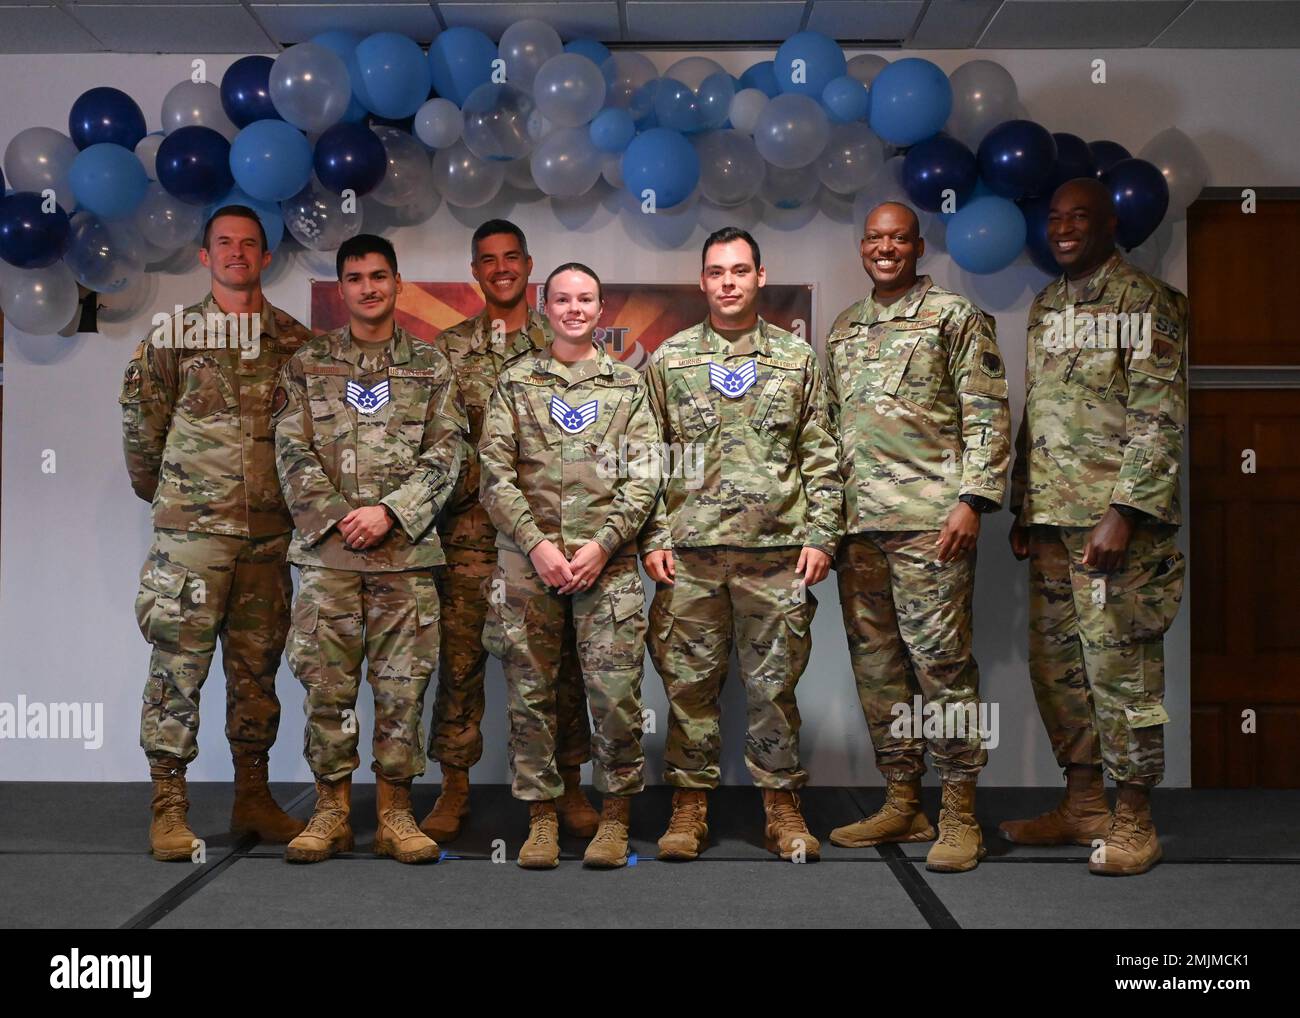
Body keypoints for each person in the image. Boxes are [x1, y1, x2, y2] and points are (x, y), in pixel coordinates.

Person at [1002, 178, 1188, 877]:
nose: (1064, 228)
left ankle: (1135, 819)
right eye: (1055, 218)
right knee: (1058, 673)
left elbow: (1159, 415)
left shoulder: (1144, 302)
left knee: (1123, 670)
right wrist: (1025, 504)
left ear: (1112, 224)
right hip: (1053, 525)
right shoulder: (1048, 304)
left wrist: (1125, 511)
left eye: (1080, 217)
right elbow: (1040, 413)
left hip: (1116, 532)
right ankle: (1083, 805)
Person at [641, 227, 843, 863]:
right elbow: (647, 460)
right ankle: (688, 808)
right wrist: (653, 536)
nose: (728, 282)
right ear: (701, 282)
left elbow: (821, 452)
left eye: (739, 270)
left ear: (761, 277)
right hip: (691, 559)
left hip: (777, 556)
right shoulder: (669, 361)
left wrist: (823, 536)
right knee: (688, 688)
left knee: (774, 689)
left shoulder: (797, 359)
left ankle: (781, 808)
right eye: (716, 272)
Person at [119, 205, 313, 861]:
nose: (236, 253)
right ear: (206, 257)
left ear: (264, 258)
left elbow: (313, 440)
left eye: (249, 244)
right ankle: (168, 808)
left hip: (269, 541)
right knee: (177, 668)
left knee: (256, 674)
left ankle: (252, 797)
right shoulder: (172, 336)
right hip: (192, 540)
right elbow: (142, 437)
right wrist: (180, 501)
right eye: (223, 244)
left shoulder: (295, 342)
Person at [823, 202, 1011, 872]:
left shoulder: (953, 316)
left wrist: (972, 501)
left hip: (932, 525)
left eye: (897, 239)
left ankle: (961, 810)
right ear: (863, 248)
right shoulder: (845, 328)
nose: (885, 248)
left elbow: (987, 411)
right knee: (878, 671)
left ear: (918, 246)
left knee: (942, 668)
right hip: (858, 530)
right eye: (874, 239)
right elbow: (828, 432)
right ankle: (903, 800)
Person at [271, 234, 467, 864]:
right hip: (329, 559)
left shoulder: (432, 367)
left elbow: (449, 453)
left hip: (404, 559)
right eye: (354, 277)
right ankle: (330, 812)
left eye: (379, 275)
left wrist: (390, 512)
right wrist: (336, 517)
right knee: (327, 688)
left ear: (397, 282)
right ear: (341, 288)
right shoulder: (307, 365)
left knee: (402, 689)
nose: (368, 287)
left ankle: (395, 814)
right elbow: (290, 449)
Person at [478, 262, 661, 869]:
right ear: (544, 307)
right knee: (531, 700)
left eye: (585, 299)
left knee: (614, 697)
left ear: (601, 309)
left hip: (605, 569)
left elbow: (644, 478)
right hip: (530, 569)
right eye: (562, 299)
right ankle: (541, 819)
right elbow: (494, 475)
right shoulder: (515, 382)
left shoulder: (628, 388)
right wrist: (536, 543)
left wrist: (604, 544)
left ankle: (614, 818)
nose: (574, 309)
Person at [421, 220, 598, 843]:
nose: (500, 268)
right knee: (461, 662)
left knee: (561, 667)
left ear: (530, 267)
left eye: (512, 258)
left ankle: (569, 784)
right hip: (470, 535)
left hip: (552, 539)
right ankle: (454, 787)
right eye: (488, 260)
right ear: (475, 272)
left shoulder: (563, 341)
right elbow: (434, 446)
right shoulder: (446, 350)